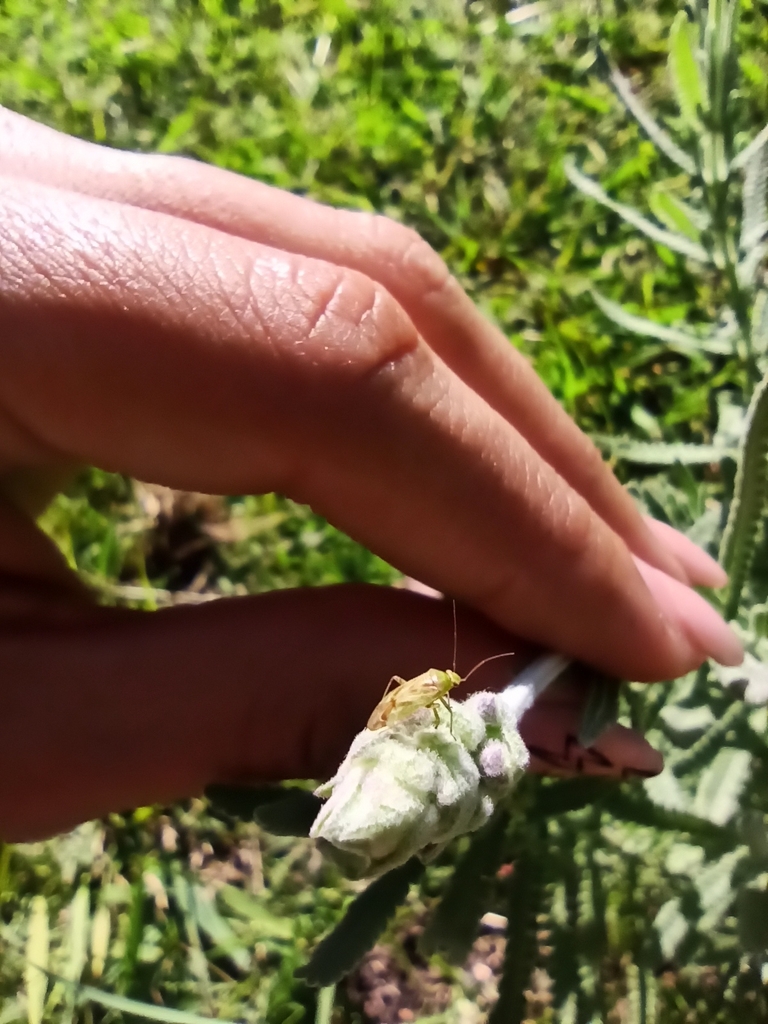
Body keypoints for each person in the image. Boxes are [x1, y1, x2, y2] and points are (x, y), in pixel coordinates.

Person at [0, 105, 742, 841]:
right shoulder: (428, 693)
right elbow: (399, 697)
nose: (445, 683)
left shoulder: (445, 688)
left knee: (353, 319)